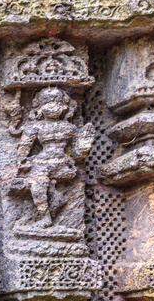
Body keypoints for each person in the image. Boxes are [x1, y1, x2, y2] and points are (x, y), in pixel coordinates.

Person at [9, 87, 94, 231]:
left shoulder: (69, 127)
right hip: (42, 161)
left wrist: (84, 144)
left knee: (37, 181)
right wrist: (22, 160)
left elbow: (76, 154)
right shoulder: (35, 126)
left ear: (65, 106)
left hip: (62, 163)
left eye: (57, 101)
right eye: (47, 101)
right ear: (39, 106)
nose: (53, 106)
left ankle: (46, 217)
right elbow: (24, 148)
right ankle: (50, 207)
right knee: (37, 182)